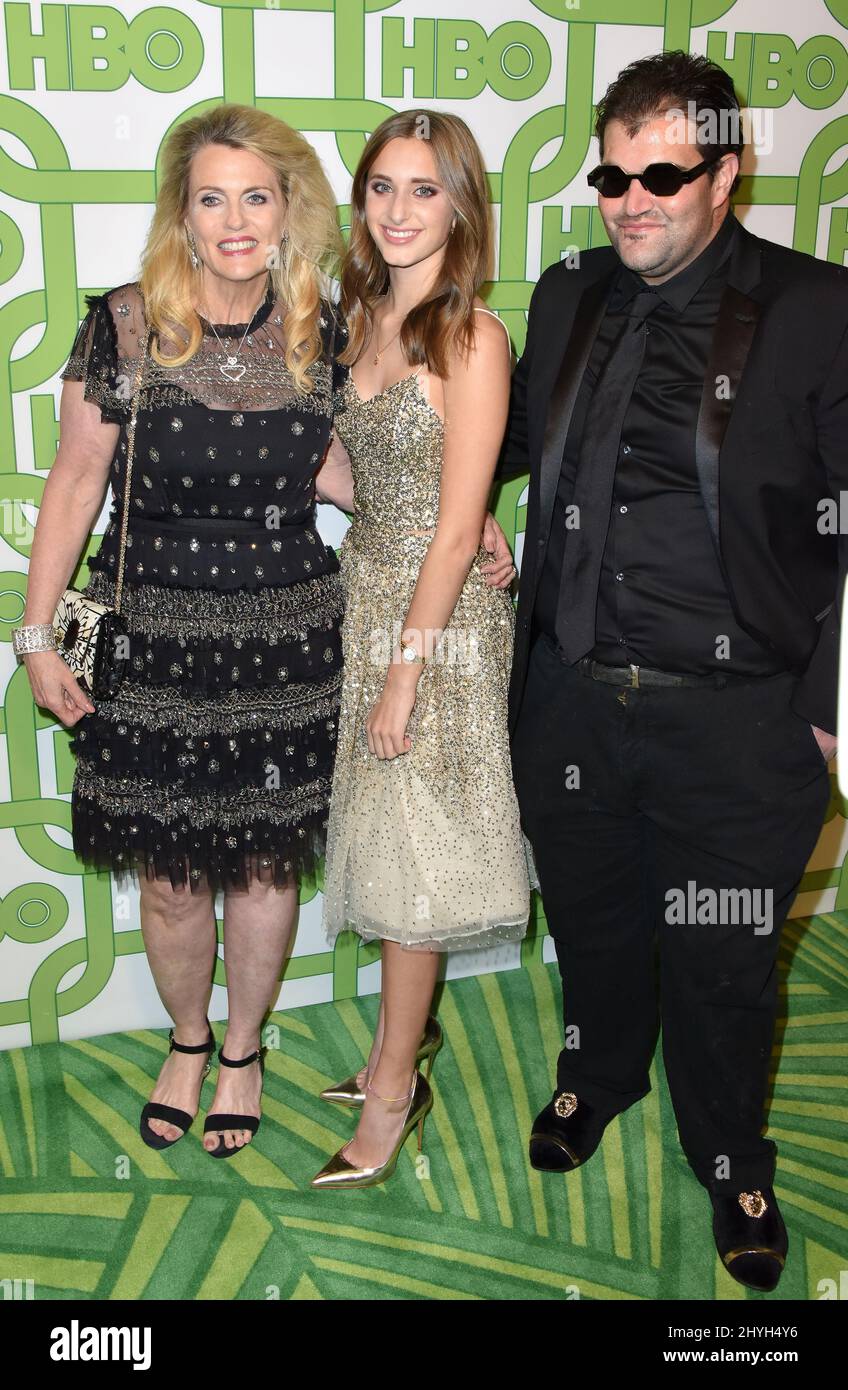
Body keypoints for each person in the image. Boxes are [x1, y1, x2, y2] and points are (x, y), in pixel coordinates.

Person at [498, 50, 848, 1291]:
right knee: (590, 923)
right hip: (572, 700)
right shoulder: (565, 293)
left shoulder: (818, 308)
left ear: (724, 171)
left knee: (720, 958)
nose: (630, 197)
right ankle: (594, 1076)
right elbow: (507, 434)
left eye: (662, 173)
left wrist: (822, 717)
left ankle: (729, 1154)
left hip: (738, 723)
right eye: (611, 172)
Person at [14, 103, 351, 1158]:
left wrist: (460, 510)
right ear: (182, 212)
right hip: (147, 632)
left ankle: (243, 1050)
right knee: (168, 873)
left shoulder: (326, 328)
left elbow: (349, 471)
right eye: (212, 197)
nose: (236, 220)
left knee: (258, 864)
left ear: (286, 209)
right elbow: (74, 485)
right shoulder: (123, 324)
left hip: (287, 636)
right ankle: (189, 1038)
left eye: (257, 196)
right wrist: (36, 639)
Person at [309, 109, 534, 1189]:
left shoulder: (471, 336)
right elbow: (342, 470)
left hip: (435, 626)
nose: (397, 211)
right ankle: (393, 1055)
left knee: (421, 853)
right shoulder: (353, 316)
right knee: (389, 839)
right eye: (381, 188)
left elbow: (455, 529)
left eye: (422, 190)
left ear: (460, 206)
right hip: (369, 590)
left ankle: (395, 1090)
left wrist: (405, 669)